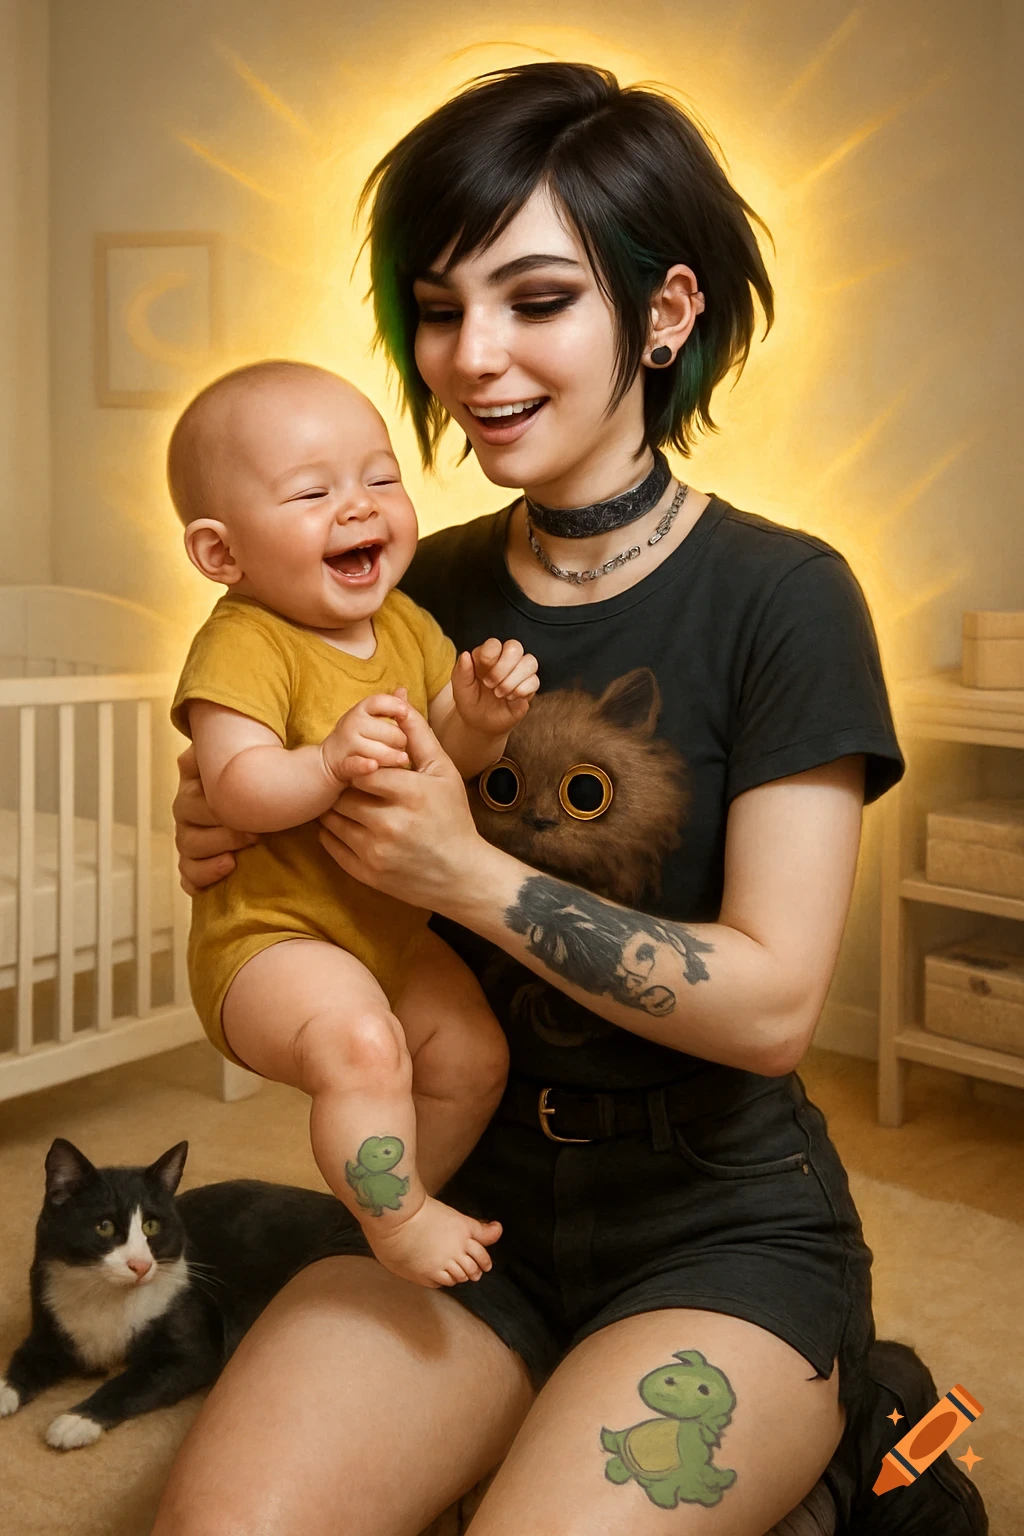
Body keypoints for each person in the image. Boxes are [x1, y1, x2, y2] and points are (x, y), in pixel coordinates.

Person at [154, 62, 987, 1536]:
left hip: (719, 1219)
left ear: (664, 315)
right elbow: (275, 810)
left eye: (536, 300)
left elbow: (777, 1004)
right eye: (439, 305)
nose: (471, 356)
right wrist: (227, 813)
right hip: (466, 1188)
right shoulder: (402, 585)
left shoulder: (784, 598)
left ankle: (849, 1423)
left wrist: (462, 869)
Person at [166, 360, 540, 1287]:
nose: (361, 507)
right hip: (272, 941)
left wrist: (480, 719)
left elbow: (440, 762)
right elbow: (238, 789)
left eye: (381, 477)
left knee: (470, 1055)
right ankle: (401, 1221)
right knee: (363, 1046)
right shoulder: (245, 640)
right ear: (222, 555)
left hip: (386, 930)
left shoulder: (407, 624)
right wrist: (328, 761)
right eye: (312, 491)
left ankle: (384, 1197)